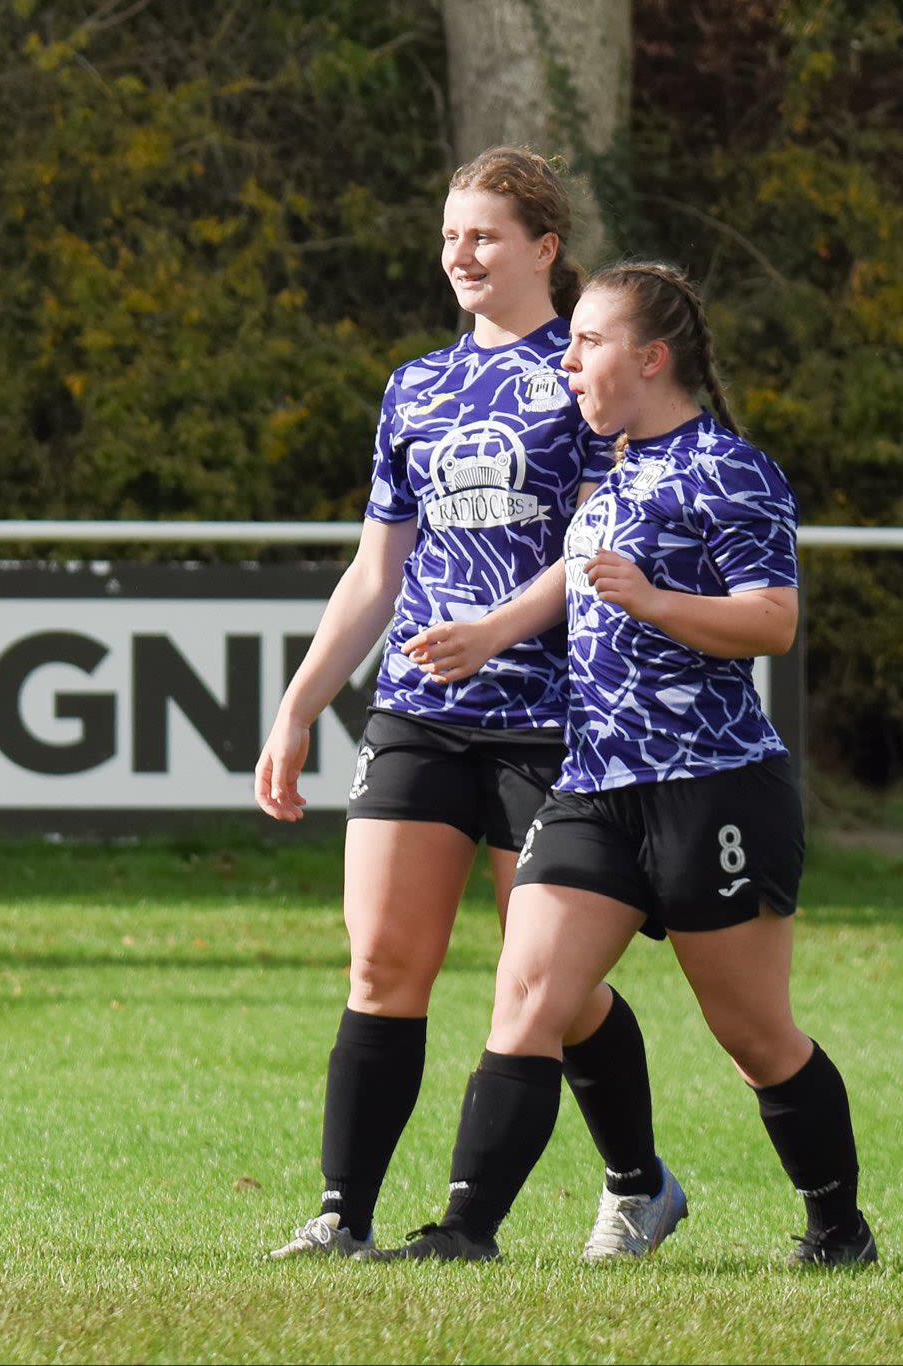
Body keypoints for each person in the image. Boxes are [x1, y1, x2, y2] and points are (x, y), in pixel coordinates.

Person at [372, 263, 877, 1267]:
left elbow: (769, 622)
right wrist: (490, 629)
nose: (565, 360)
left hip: (712, 787)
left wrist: (650, 600)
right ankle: (463, 1232)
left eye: (587, 343)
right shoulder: (613, 470)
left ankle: (837, 1231)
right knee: (526, 998)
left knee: (752, 1036)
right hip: (595, 782)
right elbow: (576, 574)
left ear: (648, 358)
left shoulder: (730, 468)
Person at [254, 148, 681, 1262]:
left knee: (548, 981)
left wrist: (496, 629)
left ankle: (637, 1183)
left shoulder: (584, 376)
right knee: (381, 963)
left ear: (544, 245)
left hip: (551, 713)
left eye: (484, 234)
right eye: (450, 235)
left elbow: (597, 546)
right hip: (415, 707)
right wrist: (299, 704)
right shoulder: (415, 385)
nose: (460, 254)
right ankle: (341, 1215)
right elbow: (373, 571)